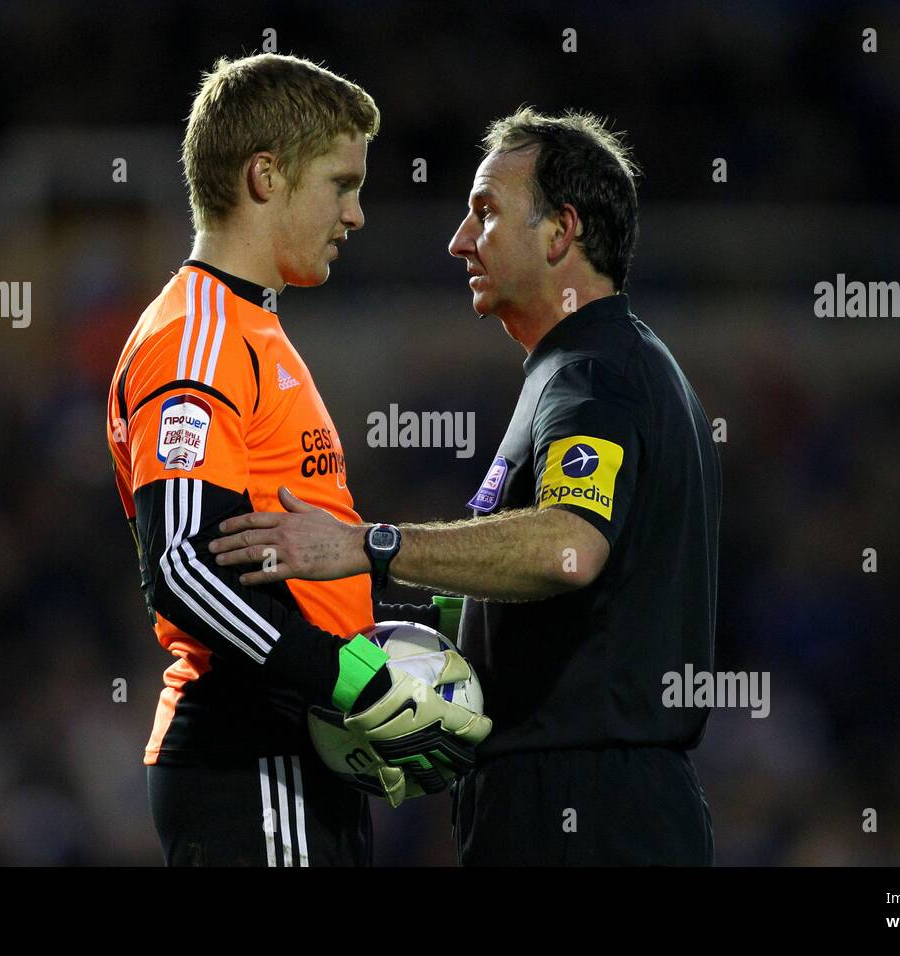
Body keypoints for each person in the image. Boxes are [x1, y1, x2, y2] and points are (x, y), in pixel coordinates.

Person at [210, 107, 721, 865]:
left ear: (560, 233)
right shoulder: (599, 365)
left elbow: (569, 550)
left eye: (485, 213)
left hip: (582, 808)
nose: (458, 240)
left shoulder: (592, 372)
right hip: (587, 796)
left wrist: (366, 545)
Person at [105, 53, 488, 867]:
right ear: (266, 176)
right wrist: (351, 677)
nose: (356, 216)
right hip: (252, 754)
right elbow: (183, 567)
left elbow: (292, 559)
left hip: (299, 756)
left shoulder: (251, 328)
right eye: (341, 185)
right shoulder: (196, 338)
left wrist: (402, 636)